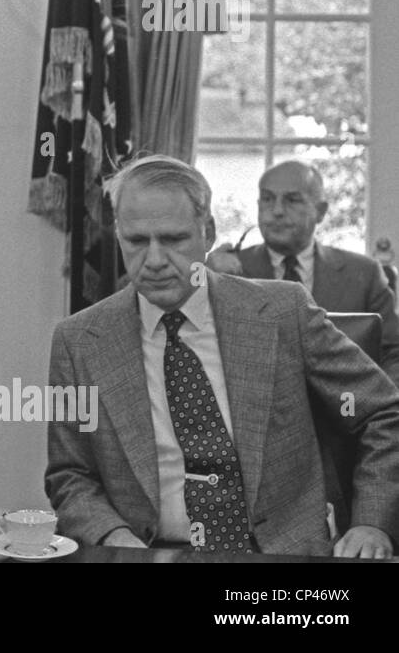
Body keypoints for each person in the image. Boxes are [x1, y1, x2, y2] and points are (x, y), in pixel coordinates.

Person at [46, 155, 399, 557]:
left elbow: (382, 413)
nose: (156, 260)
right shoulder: (80, 340)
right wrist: (116, 540)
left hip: (283, 554)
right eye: (137, 241)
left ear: (208, 232)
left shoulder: (283, 312)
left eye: (175, 239)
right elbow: (70, 475)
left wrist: (372, 523)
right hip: (149, 550)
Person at [207, 159, 399, 383]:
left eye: (292, 200)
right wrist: (206, 276)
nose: (276, 211)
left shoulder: (364, 273)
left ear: (320, 211)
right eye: (268, 199)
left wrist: (375, 407)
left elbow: (394, 354)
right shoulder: (226, 271)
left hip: (347, 409)